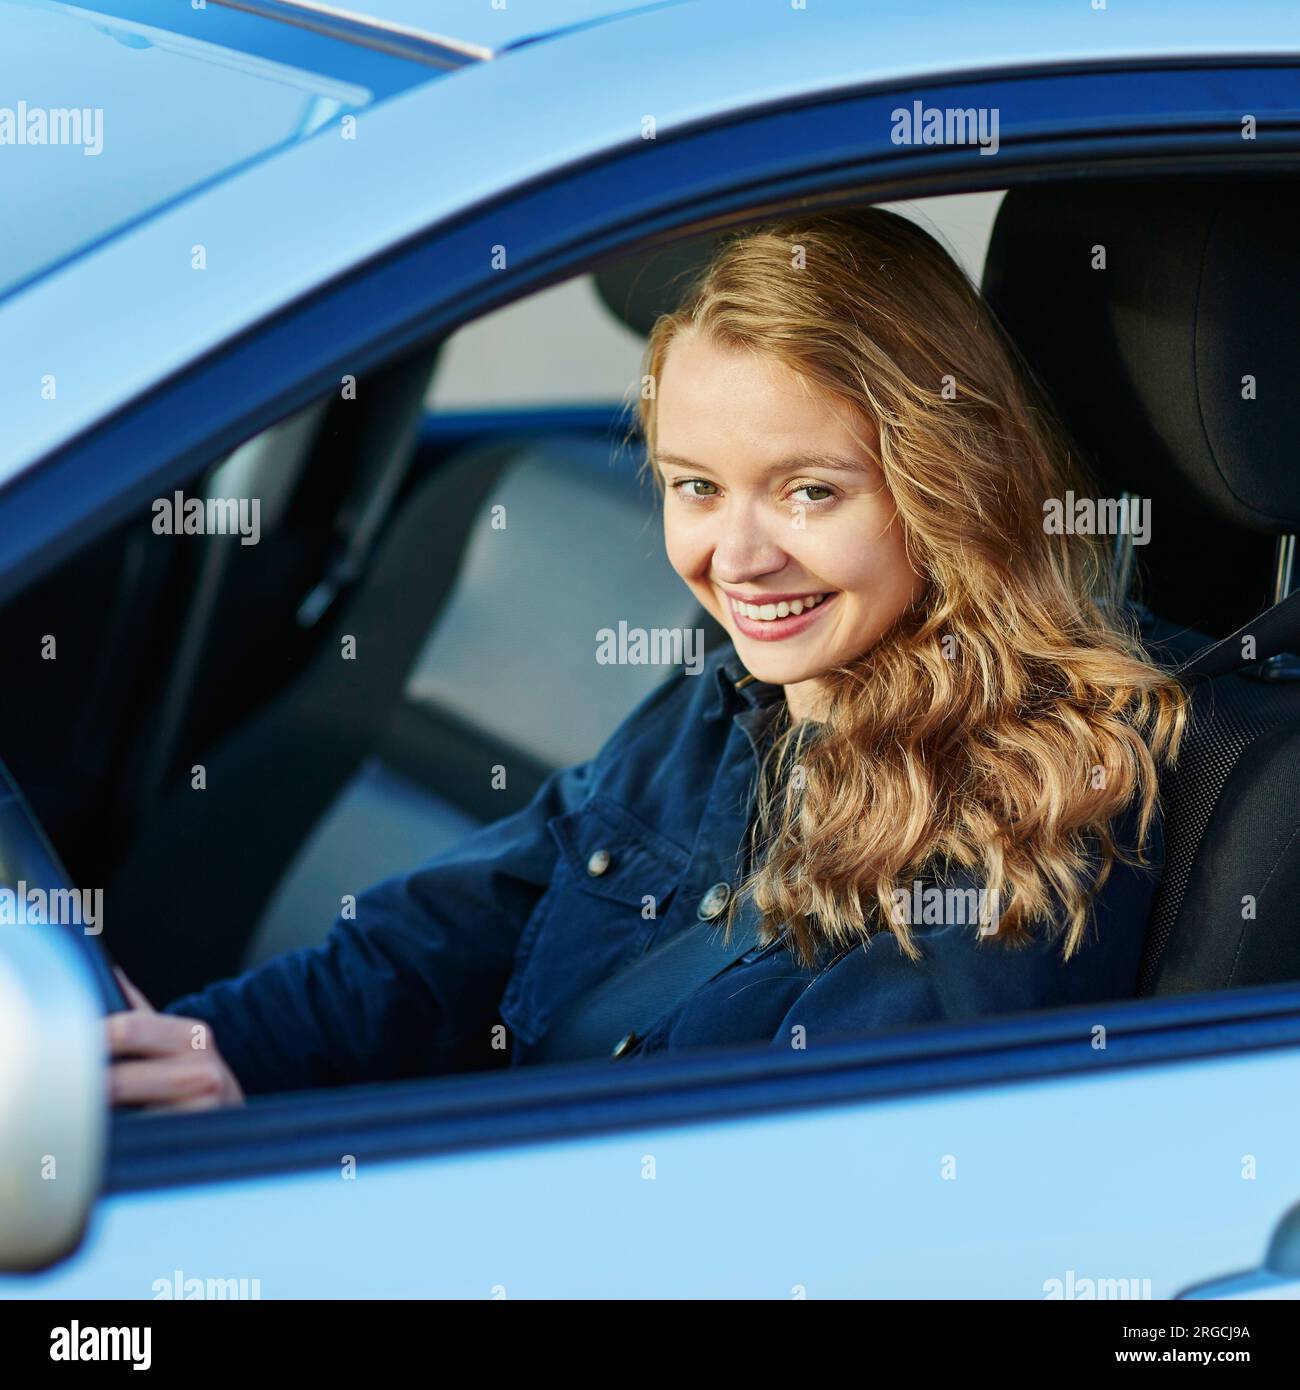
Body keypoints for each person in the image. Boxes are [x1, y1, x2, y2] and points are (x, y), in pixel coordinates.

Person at [105, 207, 1188, 1112]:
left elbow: (772, 1205)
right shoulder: (730, 695)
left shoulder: (1030, 821)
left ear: (944, 486)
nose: (739, 559)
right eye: (694, 487)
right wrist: (215, 1050)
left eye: (810, 490)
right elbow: (465, 919)